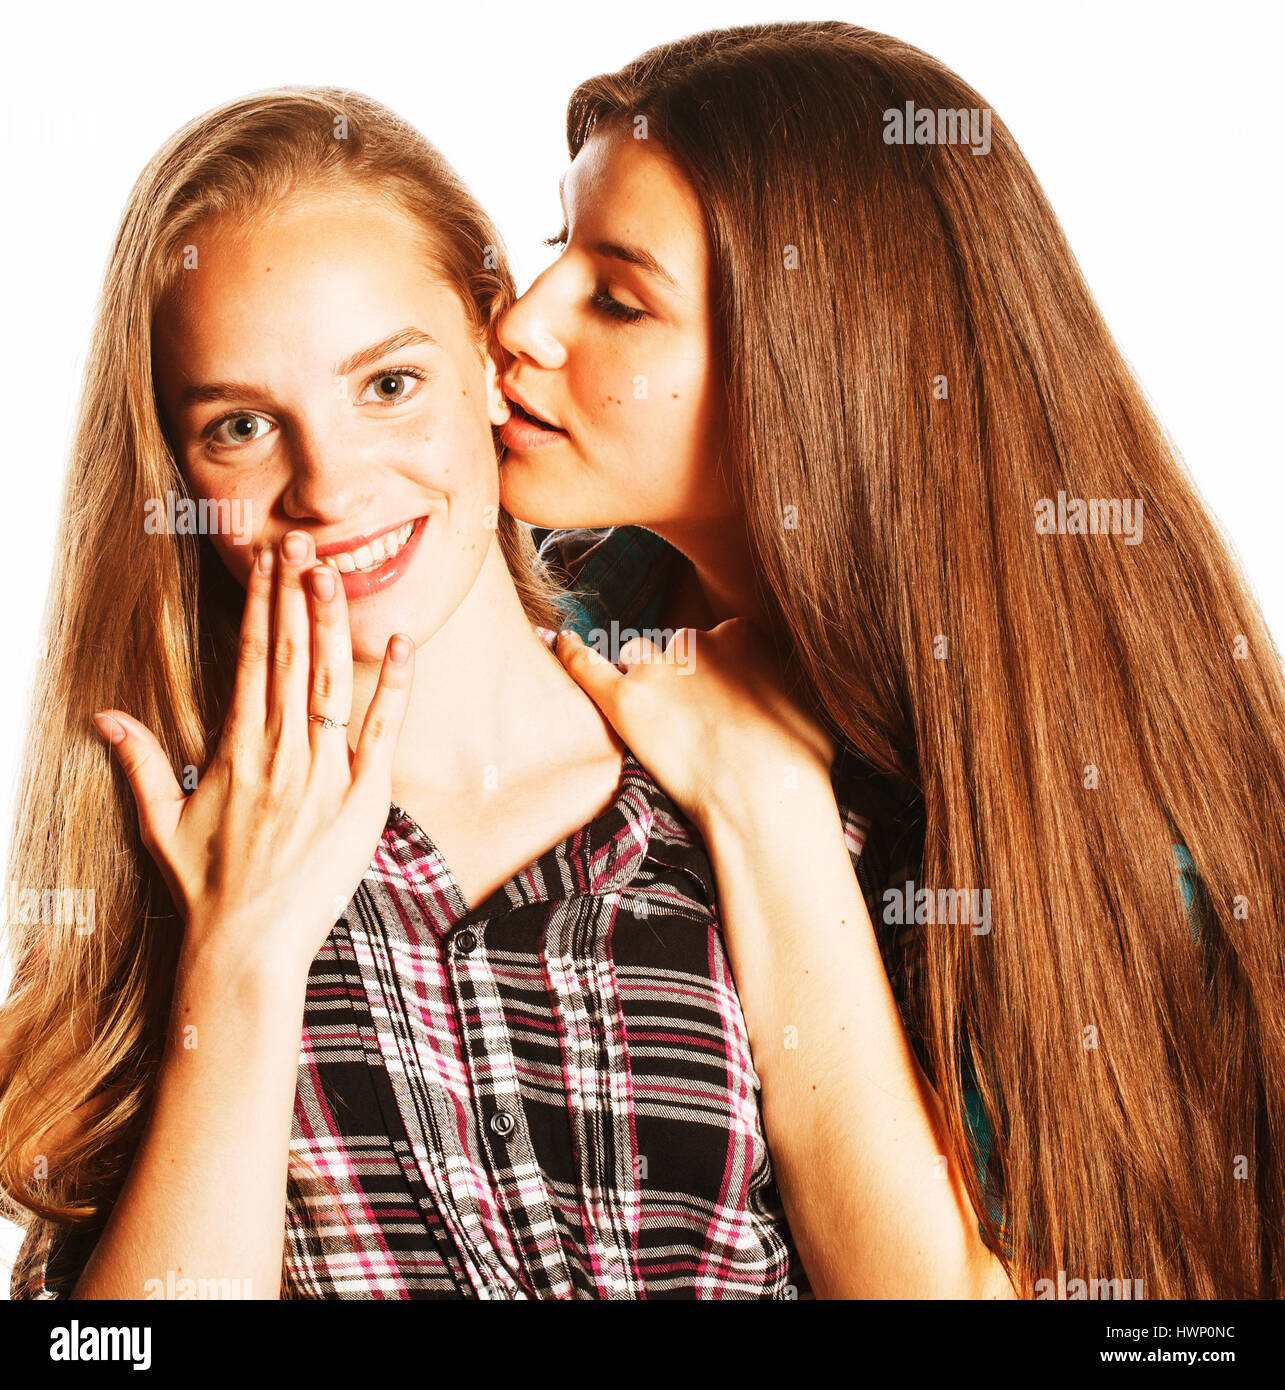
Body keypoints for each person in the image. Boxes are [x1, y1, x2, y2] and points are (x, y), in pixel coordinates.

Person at [496, 21, 1285, 1298]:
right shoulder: (553, 612)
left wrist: (763, 800)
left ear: (822, 365)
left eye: (617, 296)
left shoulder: (1106, 802)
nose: (520, 323)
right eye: (553, 253)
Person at [0, 86, 815, 1299]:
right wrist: (240, 966)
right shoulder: (172, 858)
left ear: (498, 356)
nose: (327, 487)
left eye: (387, 385)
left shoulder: (762, 791)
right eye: (239, 426)